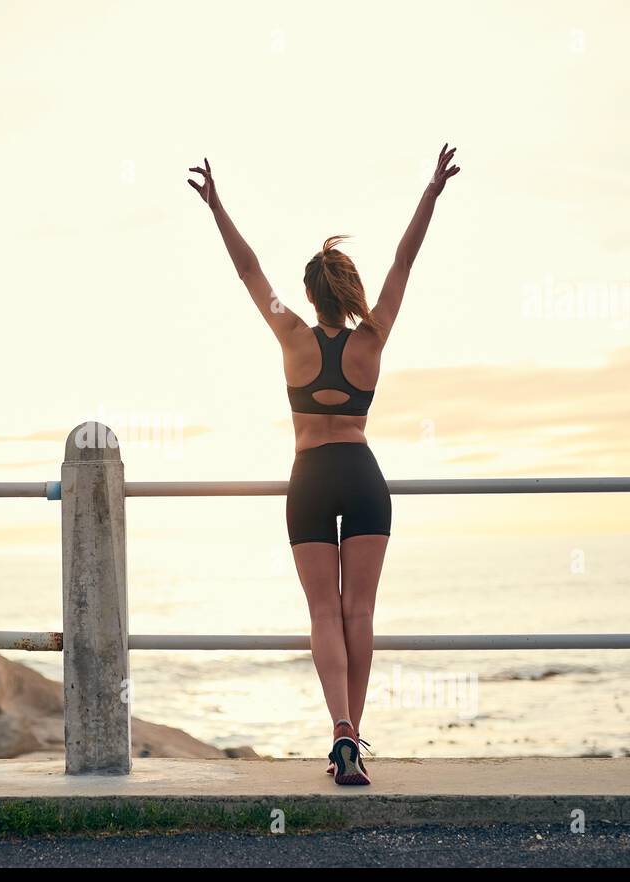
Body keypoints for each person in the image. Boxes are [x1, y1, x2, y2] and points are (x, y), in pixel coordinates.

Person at [188, 146, 460, 784]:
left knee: (321, 614)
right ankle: (355, 741)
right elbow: (404, 260)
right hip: (363, 476)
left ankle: (338, 729)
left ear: (310, 295)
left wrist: (217, 206)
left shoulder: (292, 337)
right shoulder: (373, 338)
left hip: (309, 479)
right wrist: (431, 193)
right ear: (350, 292)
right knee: (358, 611)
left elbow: (249, 270)